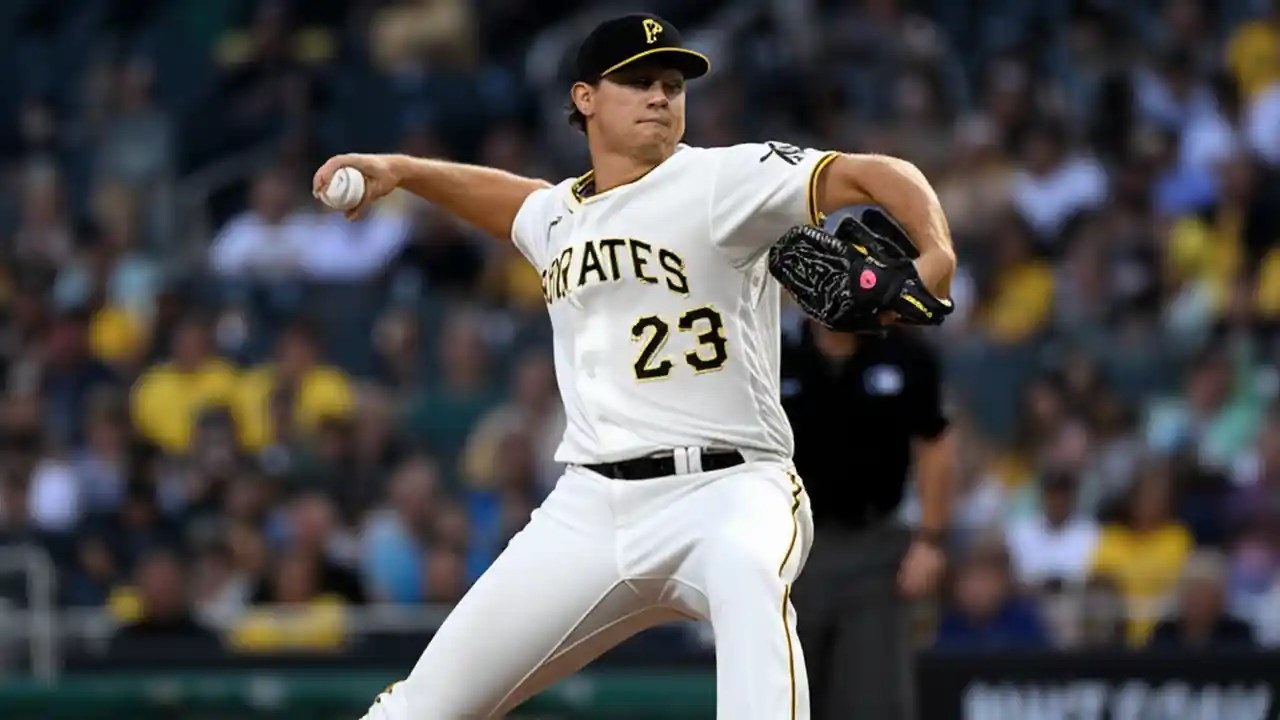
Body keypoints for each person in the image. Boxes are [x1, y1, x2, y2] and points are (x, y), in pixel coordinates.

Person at [313, 13, 955, 719]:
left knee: (750, 579)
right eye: (639, 82)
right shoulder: (558, 217)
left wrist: (935, 252)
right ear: (585, 97)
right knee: (422, 706)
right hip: (591, 503)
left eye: (672, 85)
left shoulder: (722, 178)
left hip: (730, 488)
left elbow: (874, 173)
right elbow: (511, 202)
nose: (660, 97)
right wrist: (402, 171)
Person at [783, 317, 954, 720]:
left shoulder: (906, 353)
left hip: (875, 550)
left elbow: (936, 443)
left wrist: (930, 540)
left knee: (875, 700)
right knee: (785, 696)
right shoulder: (773, 352)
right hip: (789, 548)